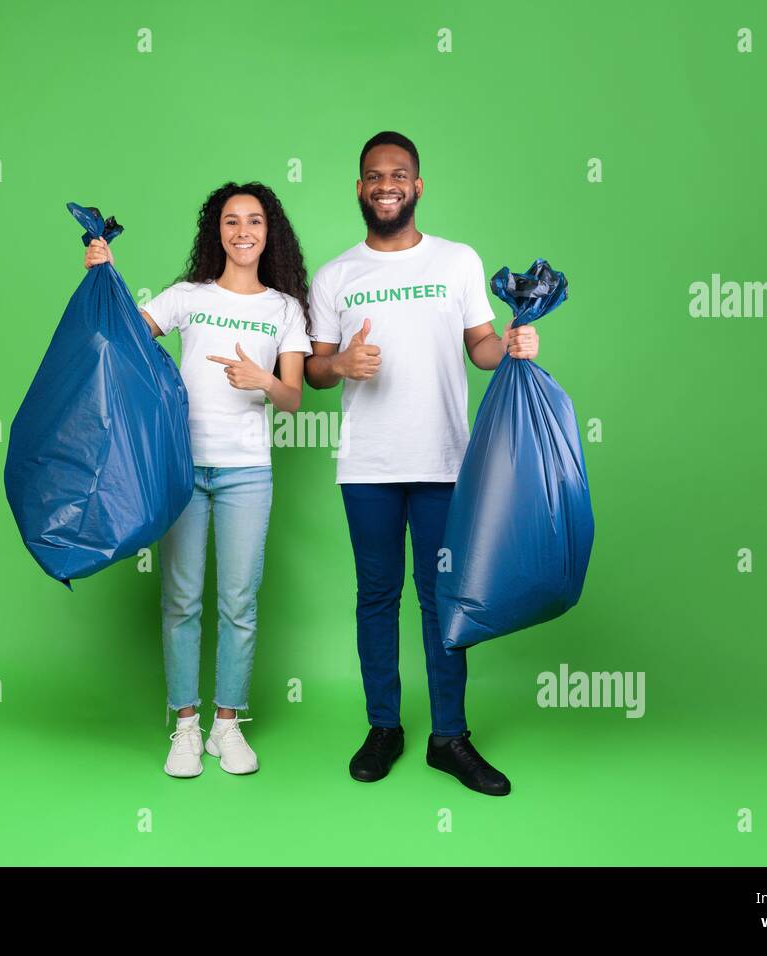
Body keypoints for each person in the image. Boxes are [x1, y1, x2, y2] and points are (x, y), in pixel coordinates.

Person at [304, 131, 540, 796]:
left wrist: (516, 343)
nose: (386, 184)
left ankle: (449, 737)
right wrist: (342, 364)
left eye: (399, 174)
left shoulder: (458, 262)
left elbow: (481, 347)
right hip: (368, 466)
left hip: (443, 462)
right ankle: (384, 727)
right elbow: (317, 371)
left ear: (417, 186)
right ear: (359, 188)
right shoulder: (336, 275)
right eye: (374, 176)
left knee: (442, 601)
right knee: (376, 599)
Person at [85, 182, 312, 779]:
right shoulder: (188, 297)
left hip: (247, 474)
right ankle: (186, 728)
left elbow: (291, 397)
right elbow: (123, 334)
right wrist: (104, 269)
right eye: (231, 221)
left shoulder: (284, 309)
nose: (243, 231)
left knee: (239, 602)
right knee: (181, 601)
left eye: (255, 221)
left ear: (270, 232)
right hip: (183, 470)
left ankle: (228, 726)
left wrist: (260, 379)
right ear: (218, 231)